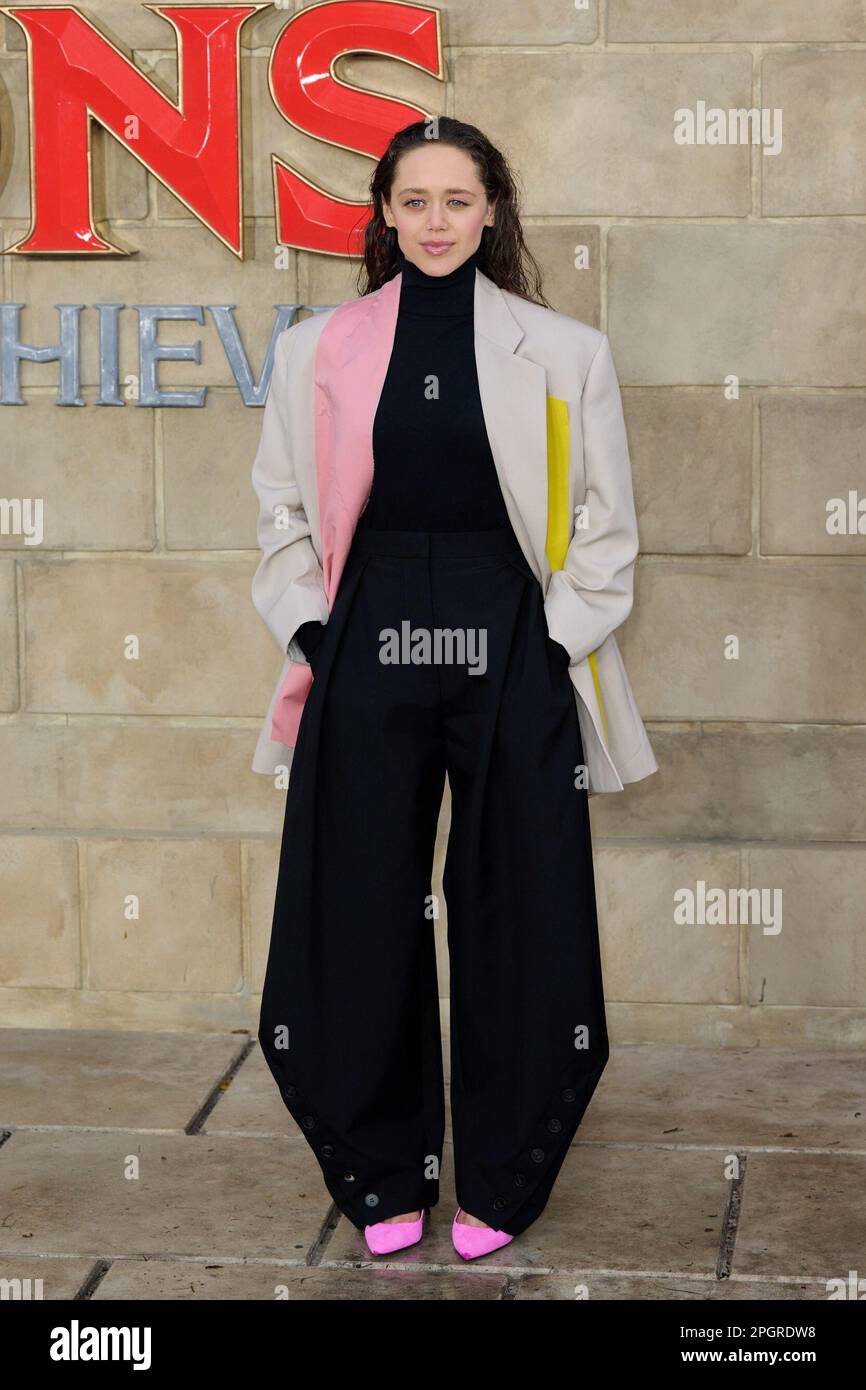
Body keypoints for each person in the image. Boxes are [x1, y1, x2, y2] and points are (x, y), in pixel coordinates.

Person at [252, 117, 657, 1261]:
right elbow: (281, 510)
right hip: (367, 638)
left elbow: (606, 530)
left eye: (457, 199)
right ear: (382, 212)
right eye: (414, 199)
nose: (435, 220)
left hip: (511, 640)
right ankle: (382, 1174)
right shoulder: (314, 350)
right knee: (357, 904)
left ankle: (500, 1177)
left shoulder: (563, 350)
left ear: (492, 211)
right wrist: (316, 632)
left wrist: (549, 640)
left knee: (516, 906)